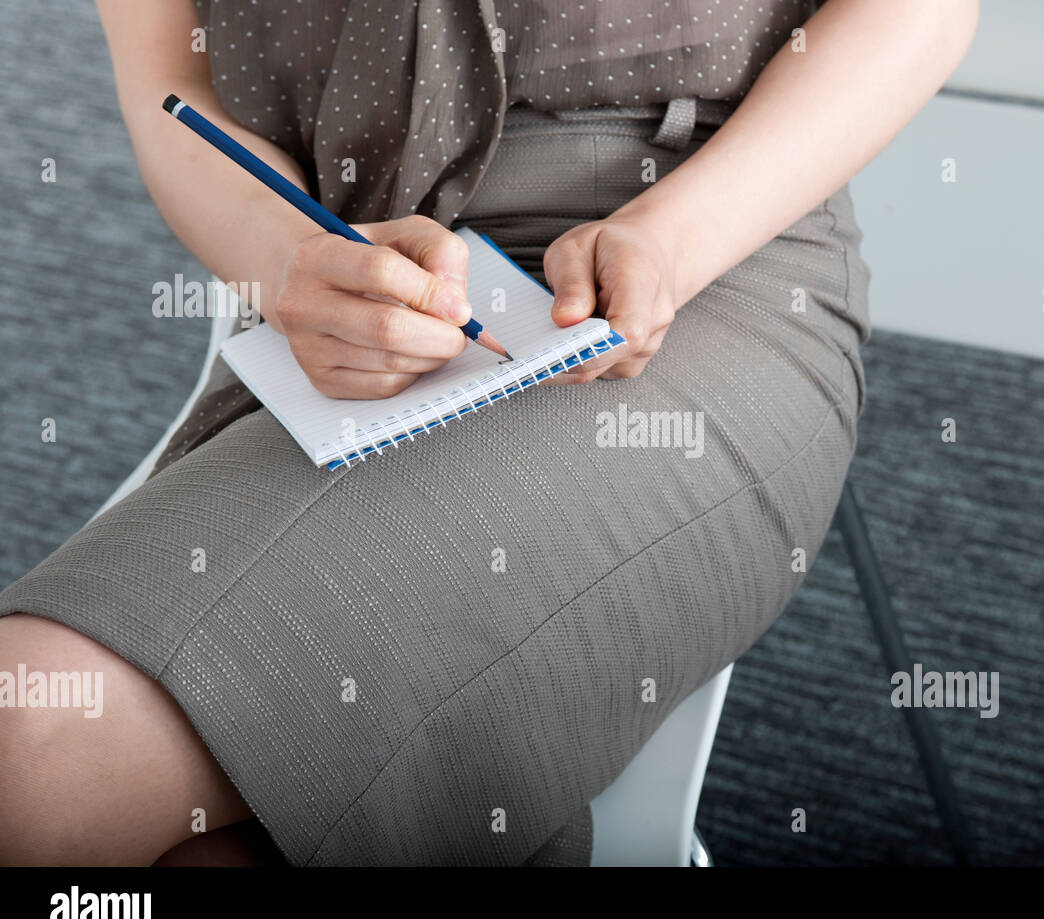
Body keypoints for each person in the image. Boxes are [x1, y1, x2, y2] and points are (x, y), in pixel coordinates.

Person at [0, 0, 978, 865]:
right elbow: (171, 83)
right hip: (355, 289)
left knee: (30, 749)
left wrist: (673, 238)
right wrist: (284, 257)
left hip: (694, 256)